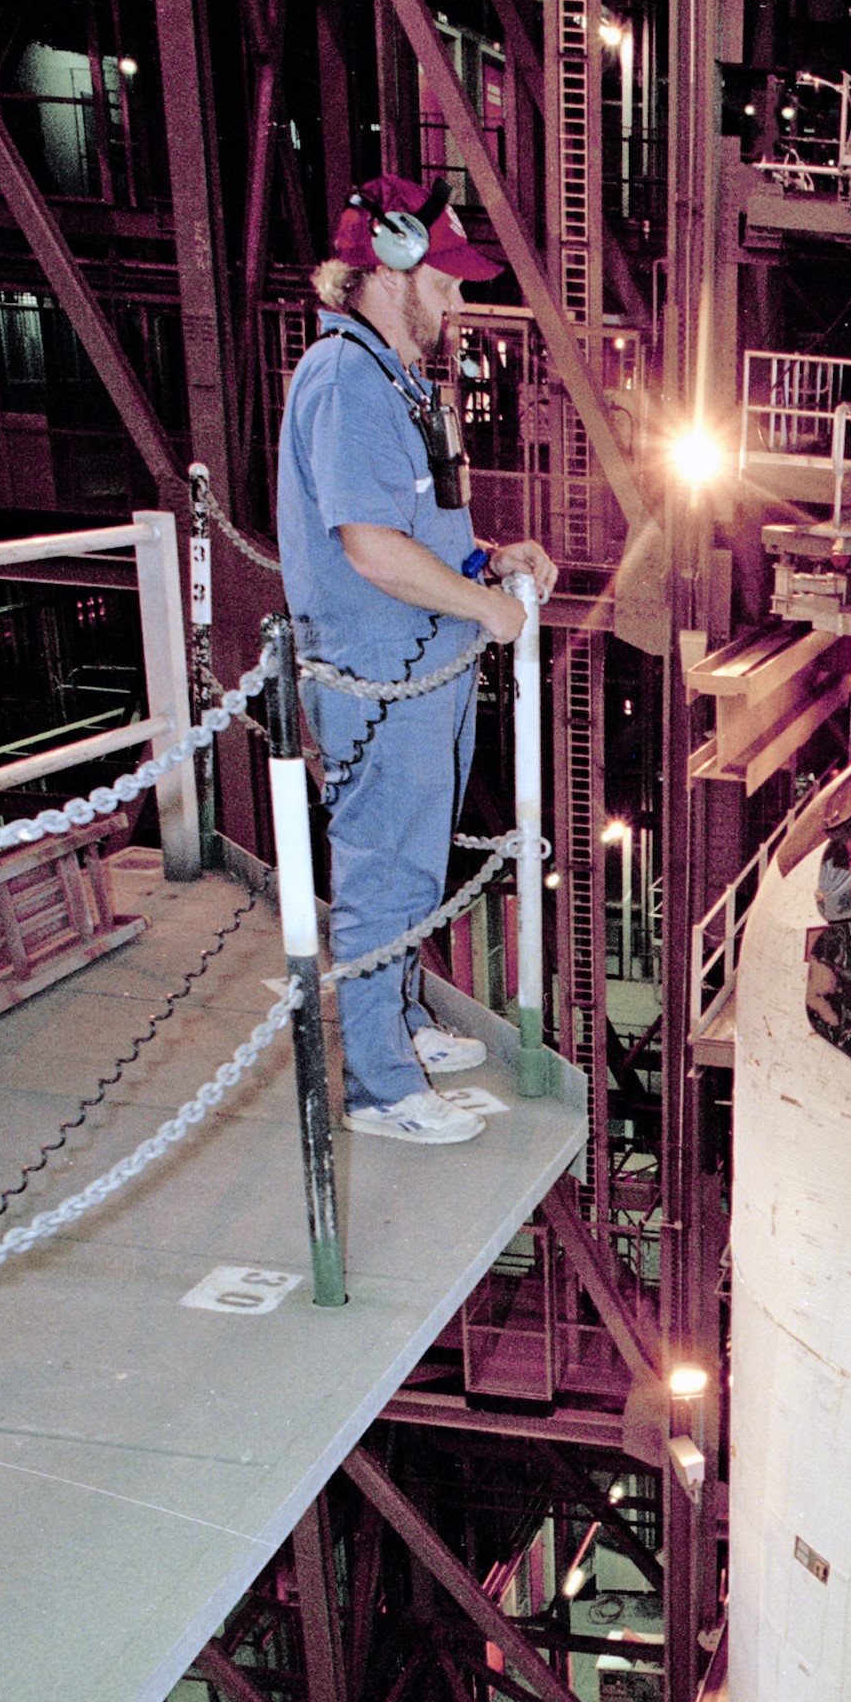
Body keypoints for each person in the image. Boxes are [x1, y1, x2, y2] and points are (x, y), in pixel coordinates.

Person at [276, 174, 559, 1143]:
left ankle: (394, 1019)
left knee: (410, 862)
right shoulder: (347, 379)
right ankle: (379, 1090)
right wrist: (489, 609)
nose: (459, 298)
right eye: (447, 278)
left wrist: (489, 560)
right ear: (390, 269)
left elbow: (416, 529)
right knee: (381, 871)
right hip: (380, 665)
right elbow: (370, 548)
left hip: (419, 661)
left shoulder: (391, 376)